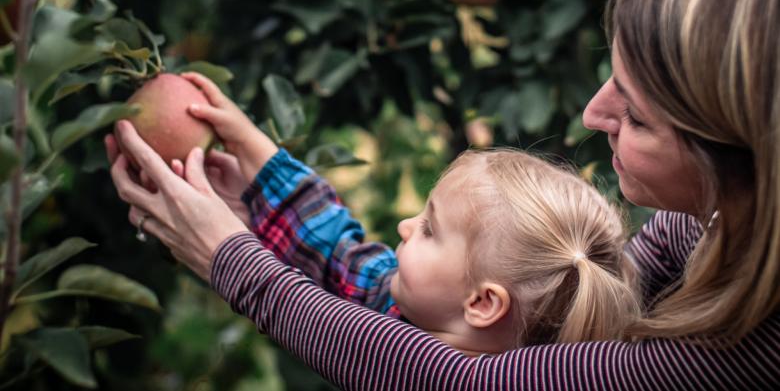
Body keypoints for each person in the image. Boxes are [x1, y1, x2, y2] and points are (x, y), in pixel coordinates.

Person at [109, 0, 780, 390]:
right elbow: (375, 291)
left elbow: (454, 379)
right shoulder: (709, 227)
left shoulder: (749, 354)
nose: (593, 114)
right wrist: (264, 179)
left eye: (636, 115)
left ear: (736, 153)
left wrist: (233, 260)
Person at [110, 72, 641, 354]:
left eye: (430, 230)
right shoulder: (413, 312)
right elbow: (343, 258)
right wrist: (257, 158)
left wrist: (227, 252)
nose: (407, 226)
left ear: (481, 302)